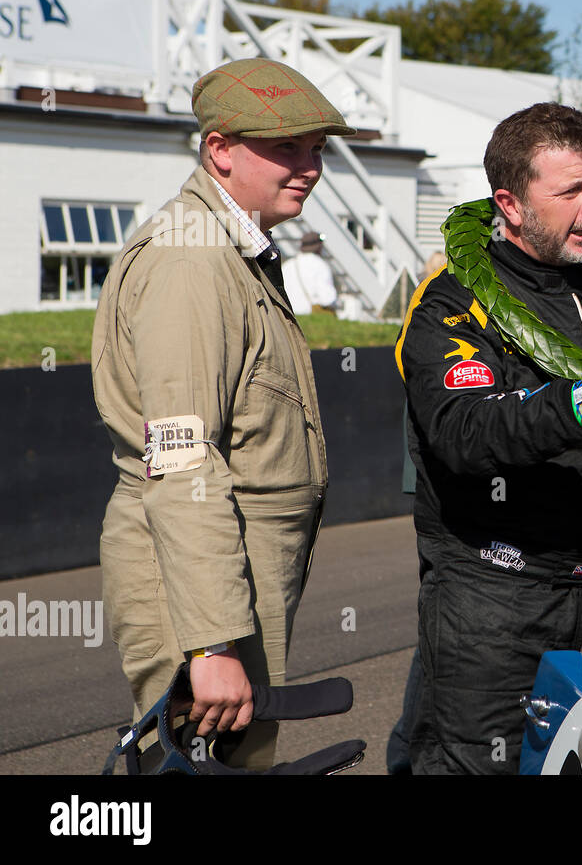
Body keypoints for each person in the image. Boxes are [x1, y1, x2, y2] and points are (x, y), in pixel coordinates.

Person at [394, 102, 582, 774]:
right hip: (491, 600)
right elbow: (465, 432)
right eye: (570, 191)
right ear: (510, 202)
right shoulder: (452, 301)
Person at [91, 58, 353, 769]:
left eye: (317, 148)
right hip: (201, 593)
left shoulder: (231, 248)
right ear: (220, 151)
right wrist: (210, 643)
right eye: (287, 147)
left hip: (229, 582)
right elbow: (181, 459)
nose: (309, 167)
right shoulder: (191, 263)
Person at [282, 231, 339, 314]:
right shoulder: (320, 265)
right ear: (319, 247)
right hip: (309, 314)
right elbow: (327, 299)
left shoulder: (287, 265)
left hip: (288, 314)